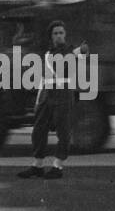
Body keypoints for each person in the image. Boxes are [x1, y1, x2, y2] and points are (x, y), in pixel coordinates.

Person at [17, 21, 90, 180]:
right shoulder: (48, 54)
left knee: (63, 132)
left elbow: (80, 53)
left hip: (63, 95)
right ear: (51, 36)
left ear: (65, 34)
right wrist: (38, 99)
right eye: (55, 33)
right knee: (38, 131)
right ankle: (37, 165)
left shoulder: (71, 51)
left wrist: (83, 50)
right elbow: (44, 78)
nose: (58, 35)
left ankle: (57, 166)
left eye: (61, 32)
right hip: (46, 95)